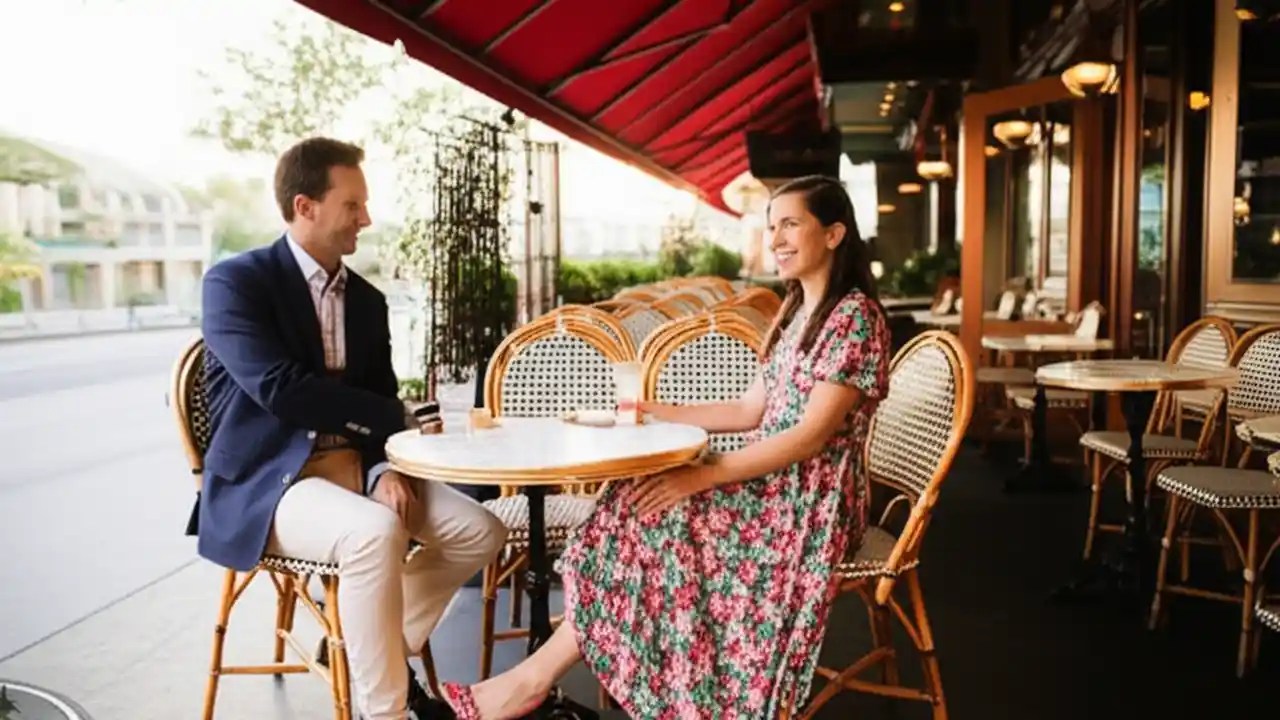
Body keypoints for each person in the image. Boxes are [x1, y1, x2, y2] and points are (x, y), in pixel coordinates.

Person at [440, 175, 891, 719]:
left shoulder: (855, 318)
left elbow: (807, 438)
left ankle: (536, 683)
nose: (776, 239)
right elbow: (749, 411)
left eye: (790, 224)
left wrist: (704, 474)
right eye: (772, 226)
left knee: (659, 514)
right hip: (773, 483)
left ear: (835, 233)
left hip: (813, 504)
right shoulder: (794, 312)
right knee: (635, 498)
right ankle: (544, 682)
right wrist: (655, 410)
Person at [197, 137, 506, 720]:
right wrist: (394, 421)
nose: (366, 218)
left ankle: (376, 650)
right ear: (304, 206)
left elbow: (379, 393)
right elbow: (281, 390)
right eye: (353, 205)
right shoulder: (235, 284)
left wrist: (383, 465)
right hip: (270, 485)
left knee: (479, 531)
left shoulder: (366, 300)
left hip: (354, 471)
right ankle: (386, 708)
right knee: (374, 535)